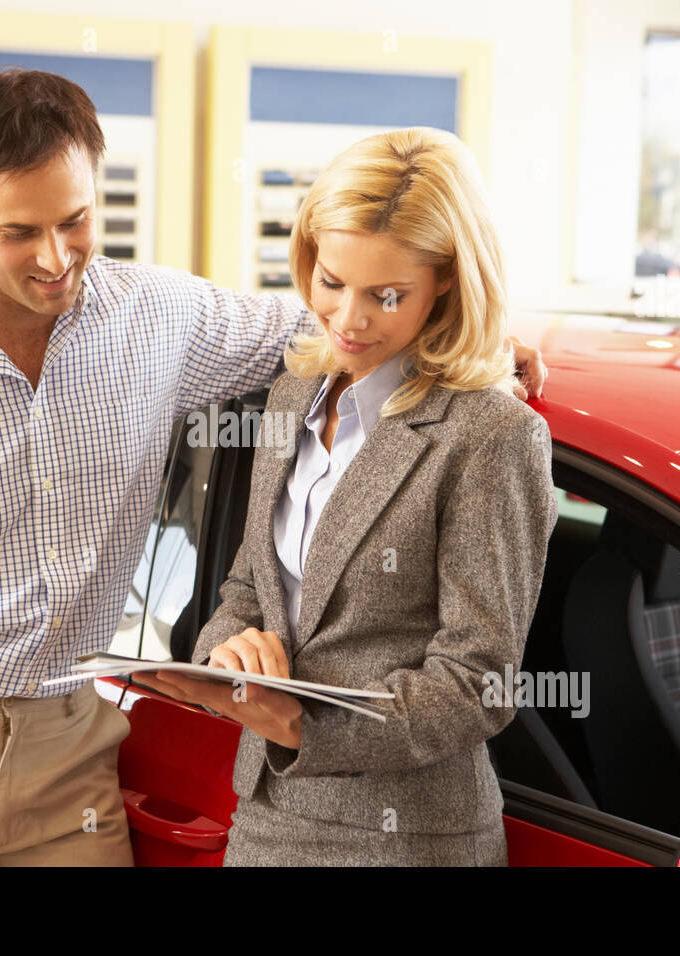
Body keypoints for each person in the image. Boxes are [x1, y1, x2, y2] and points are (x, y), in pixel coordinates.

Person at [0, 69, 546, 866]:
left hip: (70, 753)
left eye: (76, 220)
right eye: (18, 232)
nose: (55, 258)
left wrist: (473, 336)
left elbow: (339, 320)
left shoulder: (160, 318)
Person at [133, 127, 558, 865]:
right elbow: (245, 587)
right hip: (264, 811)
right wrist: (225, 652)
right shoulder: (295, 389)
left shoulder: (491, 434)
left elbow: (478, 683)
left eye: (387, 296)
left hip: (405, 837)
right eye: (331, 283)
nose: (349, 320)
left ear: (448, 280)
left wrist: (302, 725)